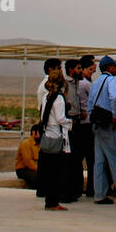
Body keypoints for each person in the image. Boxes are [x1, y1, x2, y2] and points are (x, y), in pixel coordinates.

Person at [88, 56, 116, 205]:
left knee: (99, 161)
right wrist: (115, 116)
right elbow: (115, 98)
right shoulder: (110, 81)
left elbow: (90, 104)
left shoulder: (96, 82)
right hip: (108, 125)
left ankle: (99, 194)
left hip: (97, 124)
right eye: (114, 66)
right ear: (109, 68)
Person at [38, 72, 71, 210]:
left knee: (49, 171)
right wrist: (70, 122)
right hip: (57, 136)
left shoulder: (46, 97)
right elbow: (60, 118)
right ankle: (53, 202)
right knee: (56, 172)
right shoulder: (59, 98)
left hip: (47, 135)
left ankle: (50, 200)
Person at [62, 58, 84, 201]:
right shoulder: (65, 84)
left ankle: (74, 190)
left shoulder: (76, 83)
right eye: (78, 68)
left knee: (76, 158)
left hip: (76, 122)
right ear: (71, 70)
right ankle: (66, 191)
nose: (80, 71)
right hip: (68, 124)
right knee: (68, 159)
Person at [75, 55, 96, 197]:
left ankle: (82, 187)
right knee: (90, 158)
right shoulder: (85, 84)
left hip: (84, 123)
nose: (94, 68)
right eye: (91, 66)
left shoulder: (82, 83)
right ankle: (89, 188)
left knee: (83, 158)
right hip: (86, 124)